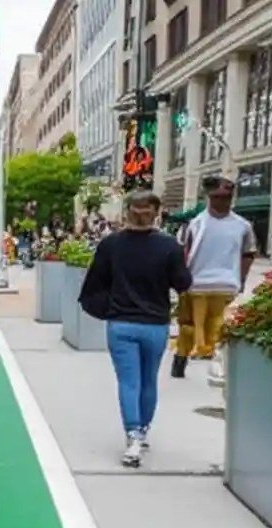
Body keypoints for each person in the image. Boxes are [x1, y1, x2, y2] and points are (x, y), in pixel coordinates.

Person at [79, 190, 192, 467]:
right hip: (155, 323)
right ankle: (142, 431)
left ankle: (132, 436)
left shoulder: (111, 245)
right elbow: (183, 283)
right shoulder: (169, 247)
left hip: (121, 322)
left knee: (129, 382)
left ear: (126, 211)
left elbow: (95, 283)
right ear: (156, 213)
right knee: (149, 380)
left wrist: (106, 308)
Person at [171, 175, 257, 378]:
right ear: (209, 197)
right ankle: (182, 359)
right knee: (189, 326)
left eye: (226, 197)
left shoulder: (242, 226)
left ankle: (211, 358)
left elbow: (248, 254)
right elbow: (182, 252)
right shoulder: (195, 224)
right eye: (217, 197)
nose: (222, 201)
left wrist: (242, 280)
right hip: (195, 284)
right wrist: (180, 279)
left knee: (217, 325)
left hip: (225, 284)